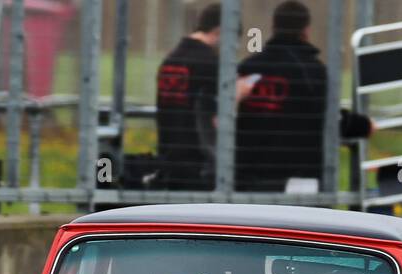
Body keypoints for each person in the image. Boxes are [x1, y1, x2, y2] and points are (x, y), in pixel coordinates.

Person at [235, 1, 373, 193]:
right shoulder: (312, 71)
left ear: (274, 27)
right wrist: (363, 126)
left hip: (247, 179)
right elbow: (331, 119)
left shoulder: (248, 67)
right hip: (299, 178)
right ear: (306, 30)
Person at [156, 3, 222, 191]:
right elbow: (216, 114)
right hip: (198, 162)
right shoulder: (210, 62)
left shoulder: (171, 58)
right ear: (220, 31)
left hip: (168, 156)